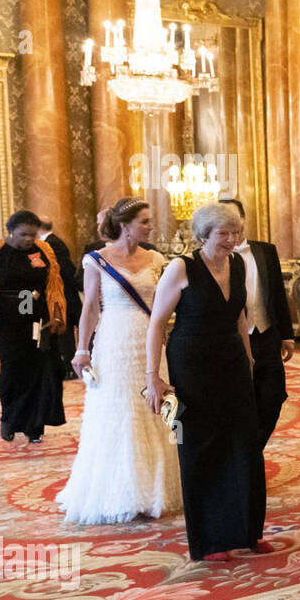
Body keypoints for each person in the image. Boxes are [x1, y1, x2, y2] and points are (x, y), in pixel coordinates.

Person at [145, 201, 266, 563]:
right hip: (192, 364)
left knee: (243, 446)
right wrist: (154, 377)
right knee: (201, 448)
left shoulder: (239, 264)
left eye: (235, 232)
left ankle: (246, 532)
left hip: (232, 360)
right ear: (203, 235)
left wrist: (249, 358)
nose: (231, 239)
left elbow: (239, 314)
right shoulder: (182, 267)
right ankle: (210, 541)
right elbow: (156, 324)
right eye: (223, 234)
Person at [58, 198, 182, 524]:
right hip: (114, 342)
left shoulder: (156, 259)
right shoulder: (96, 260)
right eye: (144, 221)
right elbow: (90, 309)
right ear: (125, 225)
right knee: (120, 410)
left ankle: (158, 488)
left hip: (150, 339)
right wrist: (81, 349)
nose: (150, 226)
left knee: (154, 409)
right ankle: (125, 490)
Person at [0, 210, 66, 442]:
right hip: (7, 323)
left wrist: (56, 314)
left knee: (39, 372)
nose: (28, 240)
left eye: (32, 235)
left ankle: (34, 426)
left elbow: (54, 283)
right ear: (10, 231)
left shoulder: (43, 250)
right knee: (12, 371)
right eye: (23, 234)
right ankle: (9, 419)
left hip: (38, 320)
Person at [221, 198, 295, 448]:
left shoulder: (266, 250)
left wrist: (287, 333)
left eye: (236, 222)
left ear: (243, 221)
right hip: (233, 342)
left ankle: (254, 449)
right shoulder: (216, 258)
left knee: (274, 396)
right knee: (241, 400)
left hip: (266, 336)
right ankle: (244, 456)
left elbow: (277, 293)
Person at [36, 217, 80, 381]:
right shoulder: (51, 242)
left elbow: (65, 271)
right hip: (61, 294)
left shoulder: (52, 243)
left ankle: (70, 368)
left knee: (65, 333)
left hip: (64, 295)